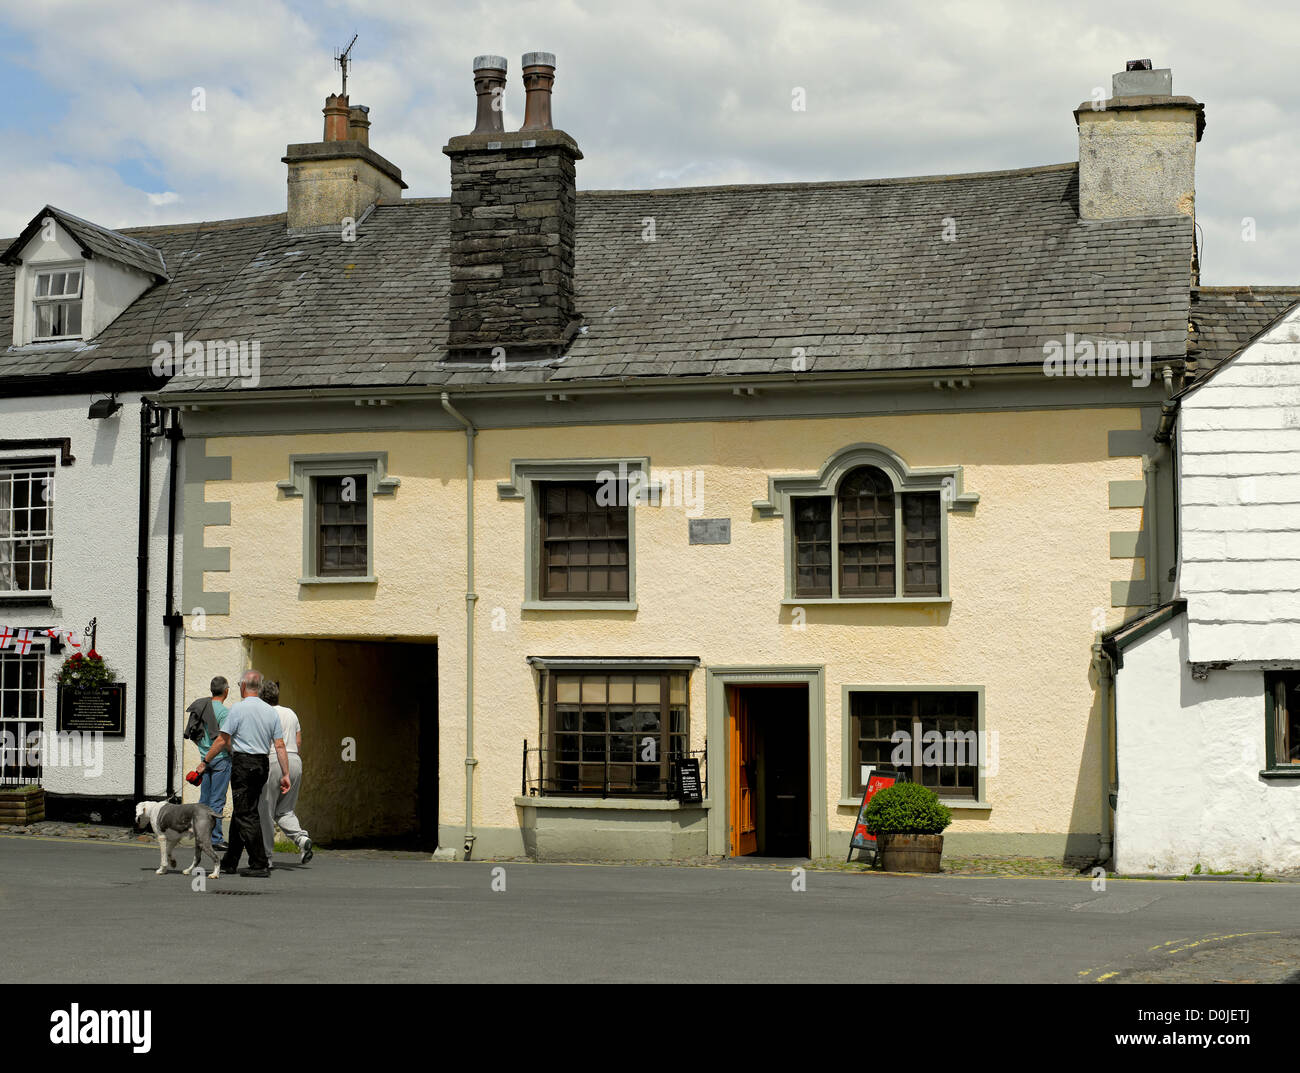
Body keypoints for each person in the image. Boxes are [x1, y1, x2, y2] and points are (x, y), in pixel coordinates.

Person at [196, 669, 288, 878]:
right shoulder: (270, 711)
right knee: (241, 811)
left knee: (247, 813)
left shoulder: (237, 709)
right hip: (261, 764)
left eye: (239, 685)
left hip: (243, 764)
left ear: (244, 686)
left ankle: (259, 863)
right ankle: (230, 861)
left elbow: (221, 739)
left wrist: (205, 762)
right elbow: (280, 745)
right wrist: (286, 773)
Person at [258, 679, 312, 867]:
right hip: (294, 760)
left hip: (274, 759)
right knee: (285, 809)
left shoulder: (264, 713)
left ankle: (266, 856)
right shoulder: (291, 713)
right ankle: (301, 839)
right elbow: (298, 742)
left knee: (266, 810)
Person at [187, 677, 231, 849]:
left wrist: (204, 751)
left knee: (204, 799)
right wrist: (232, 751)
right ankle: (216, 838)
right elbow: (224, 739)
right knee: (217, 800)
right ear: (226, 690)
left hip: (204, 759)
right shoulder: (224, 712)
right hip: (220, 759)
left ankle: (200, 835)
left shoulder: (201, 707)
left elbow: (193, 732)